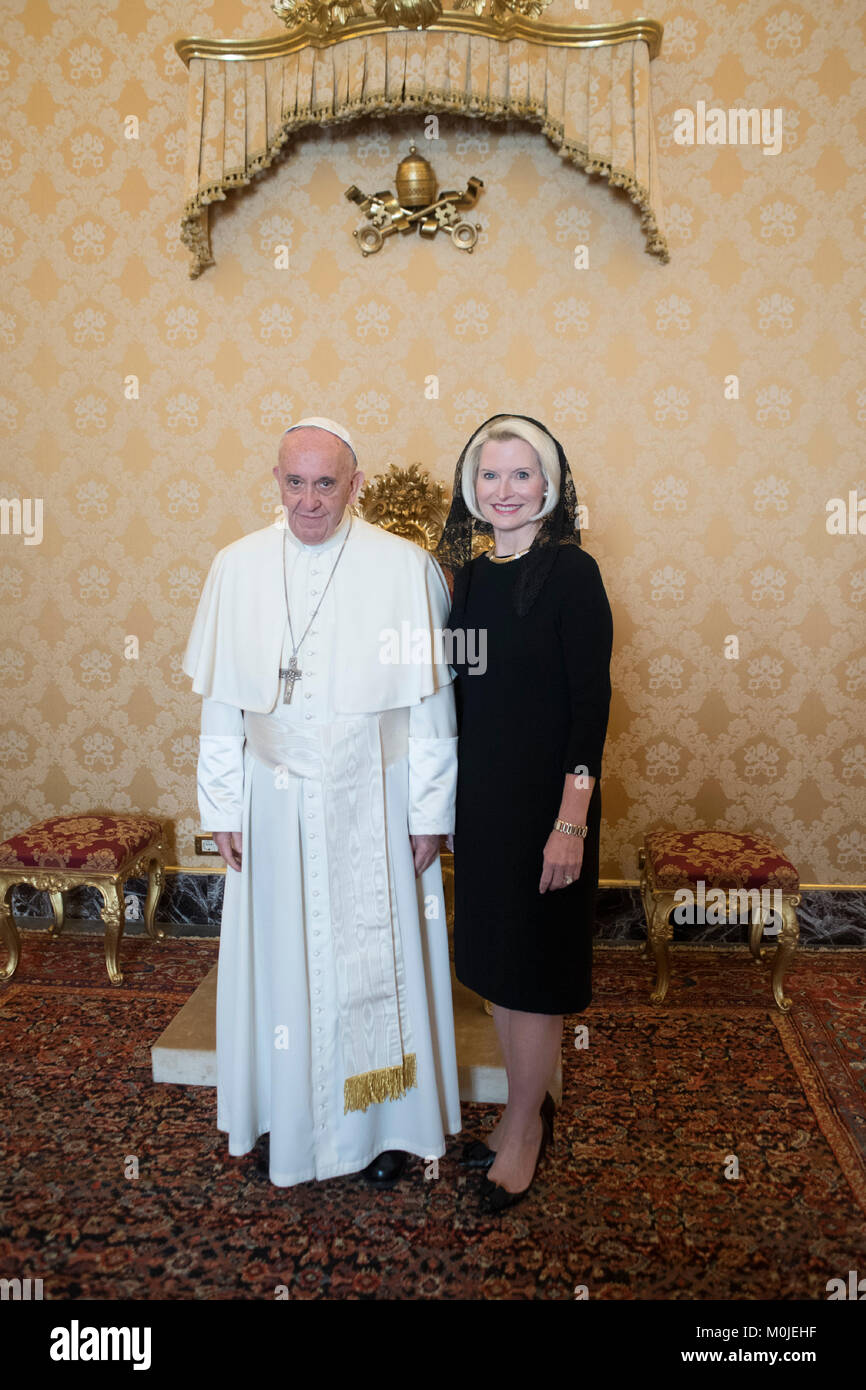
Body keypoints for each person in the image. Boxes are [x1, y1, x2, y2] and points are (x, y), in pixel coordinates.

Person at [183, 417, 461, 1188]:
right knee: (283, 969)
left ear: (355, 484)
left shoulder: (404, 568)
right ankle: (288, 1117)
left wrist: (431, 811)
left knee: (386, 966)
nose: (310, 501)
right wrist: (222, 806)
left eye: (326, 483)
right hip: (274, 802)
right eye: (295, 482)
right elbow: (221, 706)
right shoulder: (235, 567)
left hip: (374, 797)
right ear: (275, 481)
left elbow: (431, 706)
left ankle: (385, 1129)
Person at [436, 414, 613, 1214]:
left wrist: (571, 820)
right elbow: (454, 699)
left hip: (550, 808)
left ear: (549, 486)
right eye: (489, 476)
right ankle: (523, 1105)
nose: (502, 492)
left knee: (535, 978)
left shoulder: (572, 574)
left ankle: (524, 1132)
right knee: (501, 970)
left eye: (520, 476)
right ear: (472, 489)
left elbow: (590, 709)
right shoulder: (468, 580)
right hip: (483, 806)